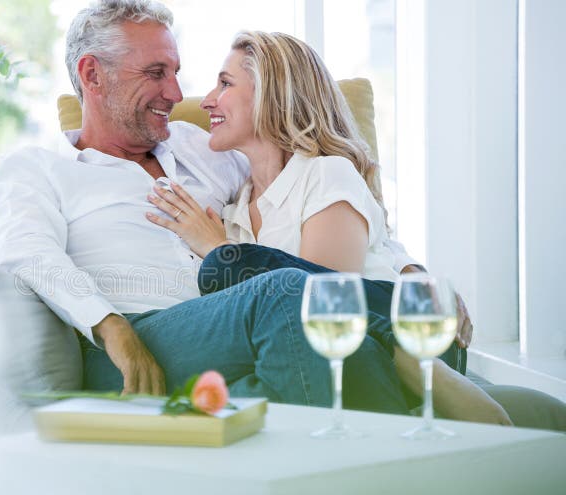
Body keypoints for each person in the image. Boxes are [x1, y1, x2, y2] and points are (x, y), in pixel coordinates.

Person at [0, 0, 446, 415]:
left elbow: (307, 186)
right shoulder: (37, 168)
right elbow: (24, 253)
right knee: (286, 294)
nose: (174, 93)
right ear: (92, 74)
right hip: (131, 350)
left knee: (318, 332)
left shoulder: (201, 148)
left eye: (175, 72)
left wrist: (408, 271)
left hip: (238, 334)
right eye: (155, 73)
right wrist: (111, 327)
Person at [144, 30, 511, 425]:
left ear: (272, 94)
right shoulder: (231, 211)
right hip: (340, 357)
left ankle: (404, 357)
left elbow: (323, 306)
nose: (209, 100)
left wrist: (222, 253)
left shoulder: (325, 175)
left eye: (225, 83)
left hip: (365, 349)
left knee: (271, 286)